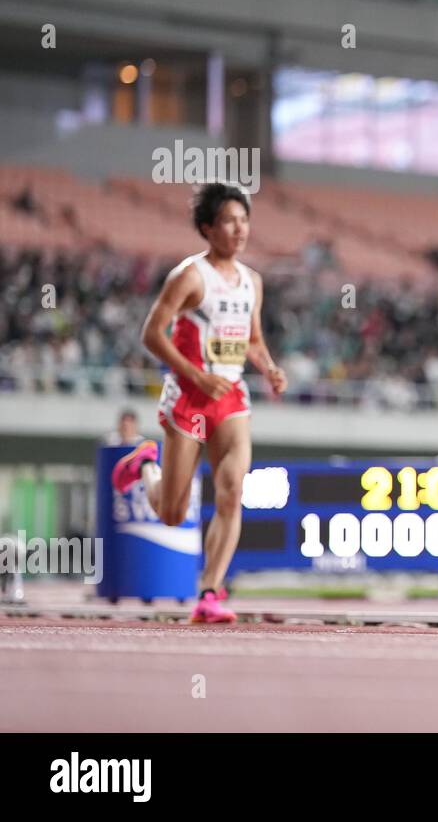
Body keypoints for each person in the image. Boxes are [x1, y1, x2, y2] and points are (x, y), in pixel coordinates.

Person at [111, 182, 287, 622]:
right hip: (188, 397)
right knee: (171, 513)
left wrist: (269, 368)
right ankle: (146, 466)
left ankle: (210, 592)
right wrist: (194, 374)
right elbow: (151, 333)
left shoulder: (253, 283)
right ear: (208, 228)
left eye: (244, 220)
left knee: (232, 491)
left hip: (229, 399)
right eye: (229, 220)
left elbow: (254, 341)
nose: (239, 228)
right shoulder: (190, 276)